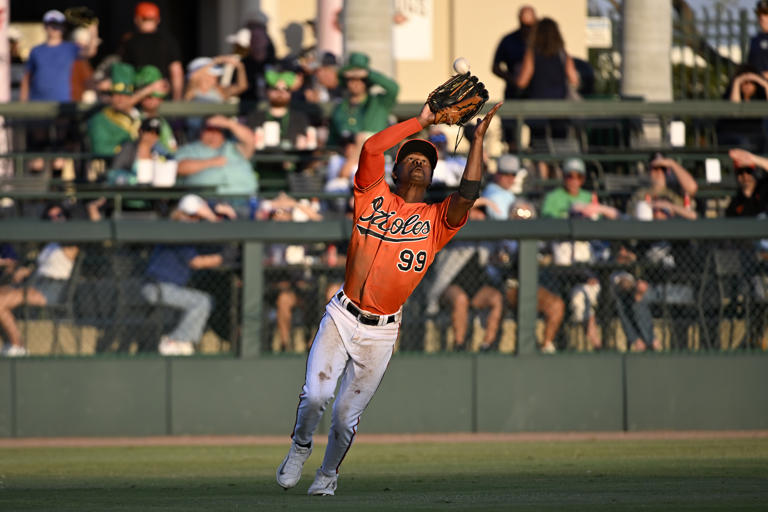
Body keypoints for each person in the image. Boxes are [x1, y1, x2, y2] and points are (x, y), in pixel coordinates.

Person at [275, 96, 502, 495]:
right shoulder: (371, 194)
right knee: (316, 395)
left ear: (432, 176)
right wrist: (420, 121)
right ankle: (300, 445)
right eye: (410, 158)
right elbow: (370, 149)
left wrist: (478, 140)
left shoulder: (436, 220)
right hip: (343, 314)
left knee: (345, 418)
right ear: (395, 169)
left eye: (426, 160)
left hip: (381, 332)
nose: (418, 161)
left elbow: (468, 192)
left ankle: (327, 475)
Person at [140, 195, 236, 356]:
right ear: (182, 214)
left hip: (168, 286)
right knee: (202, 302)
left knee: (207, 302)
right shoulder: (178, 229)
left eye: (197, 217)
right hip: (157, 287)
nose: (195, 221)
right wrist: (225, 257)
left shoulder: (185, 227)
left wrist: (217, 214)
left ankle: (183, 341)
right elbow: (196, 262)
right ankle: (175, 340)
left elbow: (215, 218)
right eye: (192, 217)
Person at [541, 158, 619, 351]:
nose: (573, 180)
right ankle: (597, 344)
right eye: (569, 176)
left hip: (589, 255)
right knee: (583, 291)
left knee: (597, 287)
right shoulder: (553, 198)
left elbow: (605, 223)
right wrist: (571, 213)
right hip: (563, 255)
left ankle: (599, 342)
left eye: (578, 176)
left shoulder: (589, 197)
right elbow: (546, 226)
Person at [0, 204, 79, 357]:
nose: (55, 220)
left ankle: (18, 345)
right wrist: (26, 270)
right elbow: (43, 266)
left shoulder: (70, 243)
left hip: (53, 288)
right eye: (51, 217)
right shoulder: (50, 243)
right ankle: (12, 343)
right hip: (35, 282)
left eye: (59, 216)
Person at [515, 17, 581, 178]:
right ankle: (558, 180)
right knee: (559, 149)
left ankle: (543, 184)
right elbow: (574, 79)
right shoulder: (562, 53)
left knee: (540, 150)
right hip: (560, 110)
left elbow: (522, 81)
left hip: (537, 110)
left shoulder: (532, 53)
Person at [500, 200, 566, 354]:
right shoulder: (504, 236)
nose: (522, 218)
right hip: (510, 286)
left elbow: (547, 253)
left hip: (537, 286)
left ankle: (546, 345)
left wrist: (545, 256)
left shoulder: (540, 241)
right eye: (518, 213)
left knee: (557, 304)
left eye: (527, 214)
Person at [174, 115, 258, 203]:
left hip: (245, 197)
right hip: (208, 200)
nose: (214, 133)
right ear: (201, 131)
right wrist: (210, 162)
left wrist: (229, 124)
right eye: (209, 129)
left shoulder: (233, 147)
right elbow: (179, 168)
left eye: (218, 129)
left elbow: (250, 140)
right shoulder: (190, 149)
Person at [327, 52, 399, 147]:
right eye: (352, 79)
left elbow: (393, 88)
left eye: (361, 79)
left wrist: (368, 74)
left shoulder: (379, 102)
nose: (356, 83)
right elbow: (333, 139)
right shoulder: (340, 108)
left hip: (375, 154)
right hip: (346, 155)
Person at [492, 5, 537, 150]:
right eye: (525, 25)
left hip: (536, 95)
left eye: (530, 26)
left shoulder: (541, 42)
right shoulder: (509, 40)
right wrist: (511, 78)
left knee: (538, 138)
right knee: (511, 135)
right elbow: (495, 66)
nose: (527, 29)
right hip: (513, 94)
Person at [118, 2, 184, 100]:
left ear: (137, 19)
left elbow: (124, 73)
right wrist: (177, 100)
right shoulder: (168, 40)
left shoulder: (129, 41)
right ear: (158, 20)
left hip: (138, 97)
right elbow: (176, 71)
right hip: (158, 96)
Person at [20, 10, 80, 102]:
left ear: (63, 27)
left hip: (62, 104)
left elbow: (90, 52)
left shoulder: (71, 48)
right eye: (51, 25)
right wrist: (23, 103)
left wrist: (93, 27)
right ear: (45, 26)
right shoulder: (36, 50)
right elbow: (26, 78)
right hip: (37, 103)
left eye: (57, 25)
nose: (54, 28)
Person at [87, 63, 141, 157]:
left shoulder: (139, 118)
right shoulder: (100, 119)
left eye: (125, 95)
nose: (121, 99)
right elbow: (101, 149)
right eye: (116, 94)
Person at [184, 56, 248, 103]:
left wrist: (240, 67)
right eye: (211, 74)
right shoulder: (191, 91)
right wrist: (215, 62)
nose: (215, 77)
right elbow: (193, 77)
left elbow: (242, 86)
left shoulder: (219, 90)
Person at [747, 0, 768, 80]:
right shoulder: (755, 40)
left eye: (765, 13)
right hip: (758, 87)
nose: (762, 17)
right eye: (759, 14)